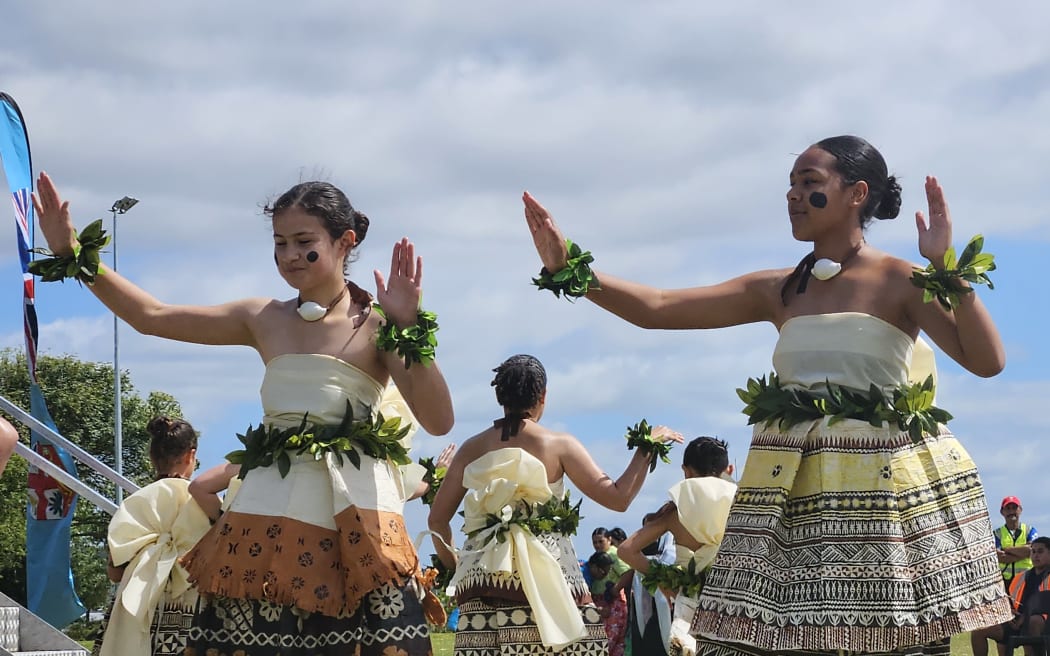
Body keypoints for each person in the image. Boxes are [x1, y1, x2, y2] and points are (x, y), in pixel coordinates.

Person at [523, 135, 1010, 656]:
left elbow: (987, 361)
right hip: (793, 493)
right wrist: (571, 270)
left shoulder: (902, 281)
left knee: (889, 638)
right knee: (797, 639)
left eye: (810, 183)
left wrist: (946, 271)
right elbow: (659, 307)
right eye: (791, 185)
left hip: (880, 497)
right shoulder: (780, 289)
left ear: (857, 193)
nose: (793, 195)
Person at [32, 173, 454, 656]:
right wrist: (75, 258)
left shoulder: (377, 327)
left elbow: (439, 419)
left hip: (354, 516)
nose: (290, 255)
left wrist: (408, 327)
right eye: (280, 243)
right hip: (265, 512)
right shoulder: (262, 318)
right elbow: (152, 316)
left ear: (345, 242)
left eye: (304, 242)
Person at [427, 353, 683, 655]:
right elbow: (618, 498)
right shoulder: (558, 444)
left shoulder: (471, 448)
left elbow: (436, 521)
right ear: (543, 396)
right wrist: (647, 447)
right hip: (547, 576)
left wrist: (458, 568)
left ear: (500, 396)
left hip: (481, 580)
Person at [96, 416, 210, 656]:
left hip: (135, 614)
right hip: (191, 619)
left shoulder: (134, 505)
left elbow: (115, 573)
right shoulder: (203, 504)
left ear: (152, 457)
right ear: (191, 455)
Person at [618, 436, 736, 656]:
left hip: (690, 603)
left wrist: (665, 580)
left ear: (686, 471)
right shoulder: (742, 506)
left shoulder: (675, 513)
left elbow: (626, 550)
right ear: (728, 468)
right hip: (735, 600)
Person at [971, 536, 1050, 656]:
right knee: (979, 630)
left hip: (1042, 622)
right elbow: (1009, 601)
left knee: (1033, 621)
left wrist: (1026, 615)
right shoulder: (1021, 577)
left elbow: (1044, 601)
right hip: (1017, 621)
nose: (1035, 555)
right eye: (1033, 552)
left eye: (1040, 551)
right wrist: (1008, 613)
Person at [589, 551, 629, 656]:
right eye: (603, 571)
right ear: (593, 567)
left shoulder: (615, 592)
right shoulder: (587, 578)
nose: (604, 574)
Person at [997, 496, 1039, 590]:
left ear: (1020, 510)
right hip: (1005, 582)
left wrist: (1006, 549)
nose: (1011, 511)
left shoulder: (1029, 530)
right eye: (1008, 508)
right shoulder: (997, 534)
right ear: (1002, 512)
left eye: (1014, 508)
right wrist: (1023, 552)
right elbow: (1000, 557)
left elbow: (1030, 551)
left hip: (1027, 580)